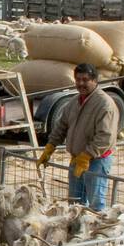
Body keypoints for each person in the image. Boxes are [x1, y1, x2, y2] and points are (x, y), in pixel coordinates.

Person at [38, 63, 117, 211]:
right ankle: (77, 231)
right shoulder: (75, 101)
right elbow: (62, 125)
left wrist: (87, 155)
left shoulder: (104, 104)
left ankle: (94, 232)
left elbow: (105, 136)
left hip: (96, 161)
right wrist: (50, 147)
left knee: (96, 205)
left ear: (95, 80)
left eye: (85, 80)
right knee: (75, 204)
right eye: (78, 80)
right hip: (76, 159)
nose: (81, 83)